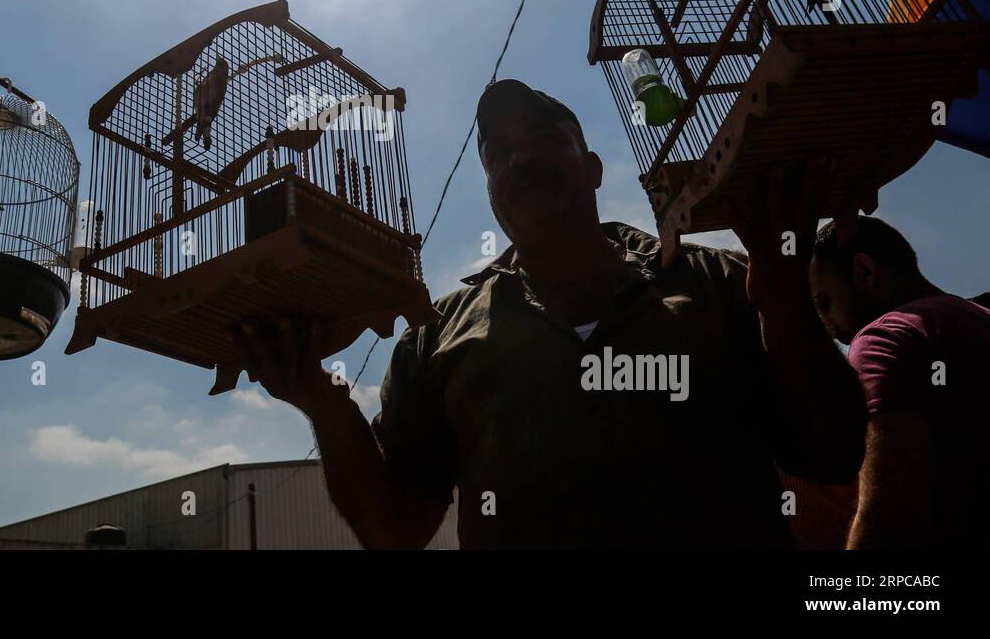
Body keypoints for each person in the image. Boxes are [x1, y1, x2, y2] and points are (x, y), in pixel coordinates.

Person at [237, 80, 866, 548]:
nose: (520, 160)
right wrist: (325, 405)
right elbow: (393, 530)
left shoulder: (718, 281)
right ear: (488, 187)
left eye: (543, 139)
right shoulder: (437, 337)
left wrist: (786, 306)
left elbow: (836, 453)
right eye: (498, 153)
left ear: (592, 169)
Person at [810, 216, 990, 548]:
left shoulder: (884, 339)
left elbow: (889, 515)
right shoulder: (977, 318)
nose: (827, 324)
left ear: (864, 271)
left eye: (825, 303)